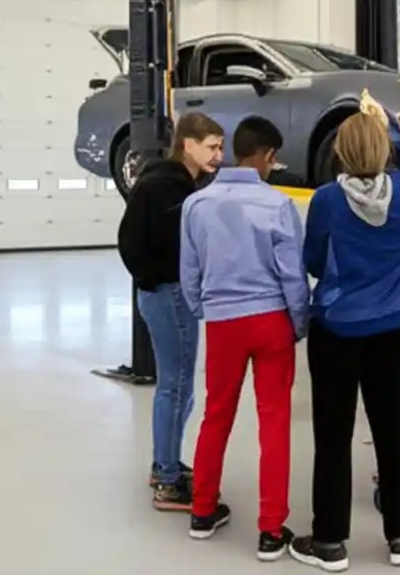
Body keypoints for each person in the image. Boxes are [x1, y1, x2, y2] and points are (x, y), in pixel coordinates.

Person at [289, 109, 400, 572]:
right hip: (391, 327)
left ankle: (330, 542)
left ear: (340, 153)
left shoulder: (328, 200)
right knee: (392, 432)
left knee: (334, 435)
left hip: (337, 329)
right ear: (385, 150)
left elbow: (312, 260)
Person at [179, 115, 310, 561]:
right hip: (271, 318)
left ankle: (201, 510)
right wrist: (298, 321)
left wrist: (206, 309)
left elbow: (189, 272)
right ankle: (271, 531)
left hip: (223, 323)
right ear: (269, 156)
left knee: (216, 414)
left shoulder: (197, 204)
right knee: (273, 423)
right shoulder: (276, 205)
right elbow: (293, 274)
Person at [117, 112, 224, 511]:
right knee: (176, 387)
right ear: (188, 145)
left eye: (221, 147)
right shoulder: (166, 187)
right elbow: (132, 241)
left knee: (176, 387)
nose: (218, 155)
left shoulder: (176, 183)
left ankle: (166, 464)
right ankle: (167, 477)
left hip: (167, 292)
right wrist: (157, 277)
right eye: (212, 146)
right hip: (168, 293)